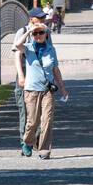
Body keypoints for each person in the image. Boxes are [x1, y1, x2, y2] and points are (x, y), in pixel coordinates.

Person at [15, 15, 70, 159]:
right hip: (31, 90)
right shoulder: (28, 48)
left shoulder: (51, 49)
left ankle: (44, 149)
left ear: (46, 34)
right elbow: (17, 45)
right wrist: (28, 31)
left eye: (41, 33)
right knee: (32, 121)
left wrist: (62, 88)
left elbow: (55, 69)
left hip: (47, 90)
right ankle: (27, 142)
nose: (38, 35)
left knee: (47, 120)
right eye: (35, 33)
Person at [11, 7, 44, 145]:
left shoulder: (44, 31)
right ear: (31, 19)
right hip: (25, 72)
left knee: (39, 110)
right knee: (24, 109)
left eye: (43, 17)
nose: (43, 20)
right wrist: (21, 76)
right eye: (39, 18)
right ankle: (24, 141)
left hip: (39, 74)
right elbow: (17, 55)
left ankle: (36, 138)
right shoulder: (23, 32)